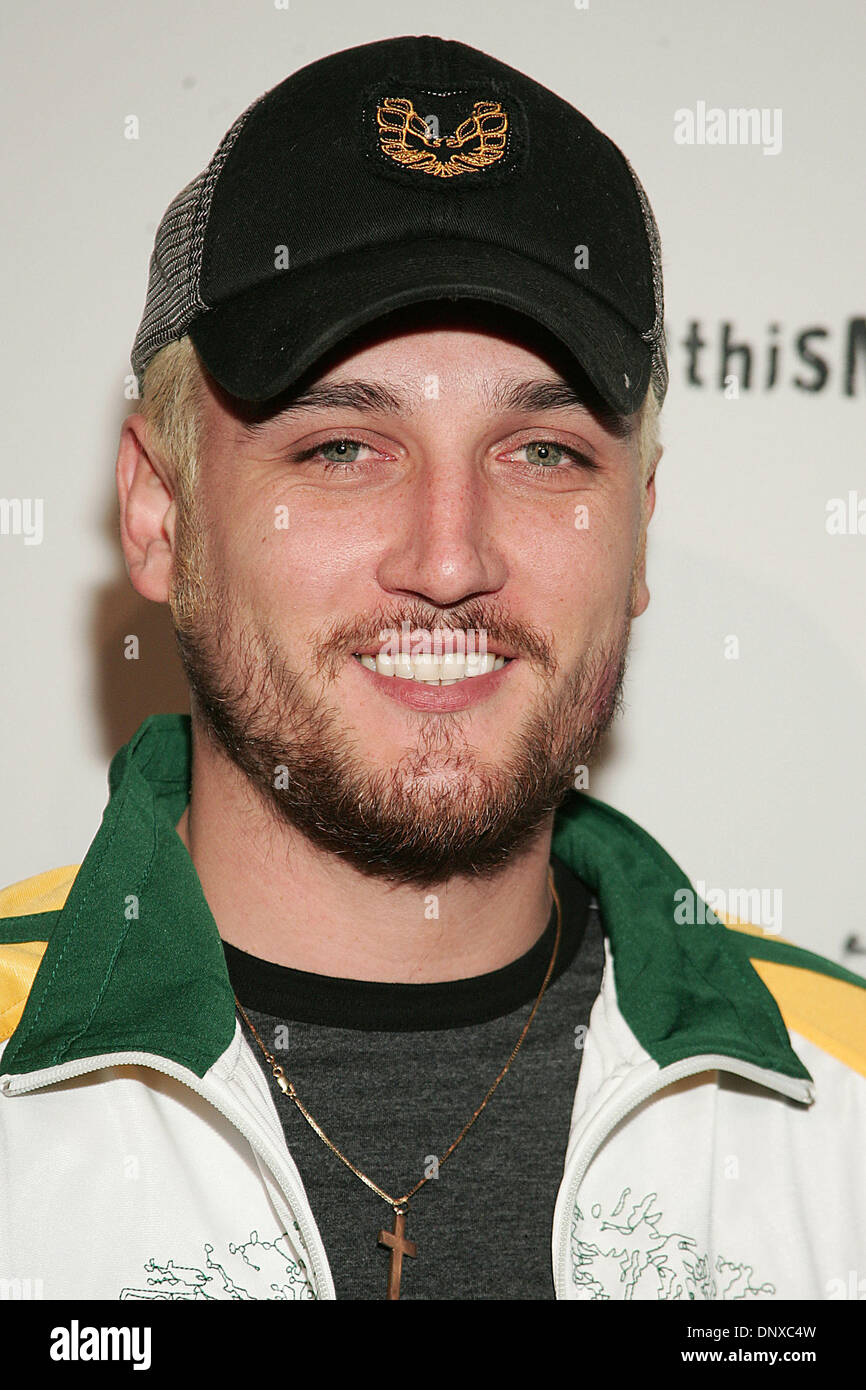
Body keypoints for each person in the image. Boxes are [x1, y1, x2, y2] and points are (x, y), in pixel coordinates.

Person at [1, 34, 864, 1304]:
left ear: (638, 524)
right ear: (158, 510)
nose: (450, 560)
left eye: (544, 453)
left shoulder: (838, 1094)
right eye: (344, 447)